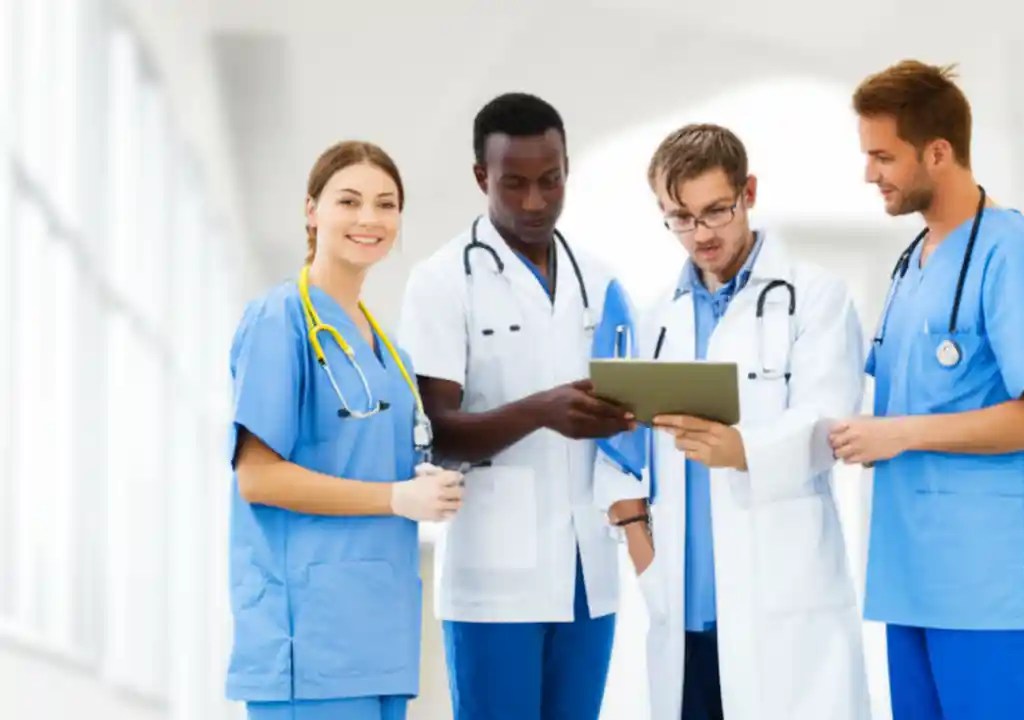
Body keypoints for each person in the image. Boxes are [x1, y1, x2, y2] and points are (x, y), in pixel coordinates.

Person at [830, 60, 1024, 720]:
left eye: (882, 156)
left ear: (937, 152)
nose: (869, 174)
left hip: (988, 580)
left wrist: (902, 432)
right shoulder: (913, 263)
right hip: (911, 573)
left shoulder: (1014, 255)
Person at [397, 92, 646, 720]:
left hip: (588, 573)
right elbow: (435, 435)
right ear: (482, 177)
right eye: (514, 184)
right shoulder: (442, 280)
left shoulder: (601, 279)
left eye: (550, 181)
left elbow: (628, 422)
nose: (535, 202)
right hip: (493, 576)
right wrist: (540, 411)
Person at [615, 123, 872, 720]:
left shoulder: (815, 297)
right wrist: (640, 548)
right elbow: (623, 446)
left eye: (716, 212)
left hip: (780, 594)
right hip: (683, 601)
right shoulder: (656, 318)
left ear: (748, 191)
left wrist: (743, 449)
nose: (700, 234)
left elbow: (829, 417)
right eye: (680, 217)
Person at [225, 141, 464, 720]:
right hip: (309, 641)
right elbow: (257, 477)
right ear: (312, 210)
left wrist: (427, 486)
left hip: (379, 637)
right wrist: (395, 497)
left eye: (386, 204)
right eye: (349, 201)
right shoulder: (280, 320)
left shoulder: (391, 354)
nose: (369, 219)